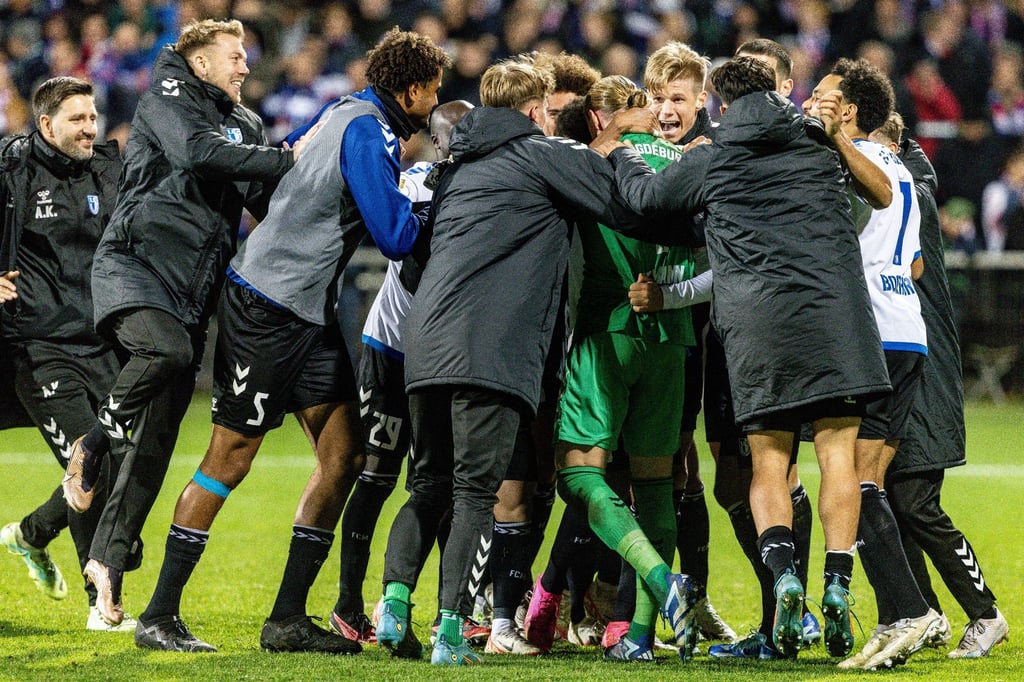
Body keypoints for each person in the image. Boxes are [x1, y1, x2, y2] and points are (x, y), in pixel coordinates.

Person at [133, 27, 451, 654]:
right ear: (411, 90)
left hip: (306, 308)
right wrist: (440, 195)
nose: (436, 104)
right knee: (231, 456)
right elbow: (392, 234)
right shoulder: (365, 129)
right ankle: (158, 615)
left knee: (344, 456)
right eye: (434, 91)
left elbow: (288, 164)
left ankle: (285, 620)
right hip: (267, 305)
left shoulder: (346, 114)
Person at [376, 56, 692, 667]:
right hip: (491, 351)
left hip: (425, 346)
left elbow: (415, 261)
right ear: (530, 112)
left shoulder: (454, 169)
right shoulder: (539, 156)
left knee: (427, 485)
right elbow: (622, 205)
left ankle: (393, 604)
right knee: (473, 493)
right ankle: (446, 632)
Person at [593, 55, 891, 660]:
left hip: (761, 326)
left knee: (768, 465)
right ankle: (835, 583)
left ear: (720, 103)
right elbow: (872, 201)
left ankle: (783, 578)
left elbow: (649, 201)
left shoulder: (713, 152)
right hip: (836, 315)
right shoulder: (816, 136)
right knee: (837, 455)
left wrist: (625, 149)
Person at [61, 18, 306, 630]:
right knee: (165, 351)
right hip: (136, 268)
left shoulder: (245, 125)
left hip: (192, 293)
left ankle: (105, 575)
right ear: (200, 63)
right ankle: (90, 443)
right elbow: (197, 151)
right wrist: (284, 156)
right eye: (235, 56)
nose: (246, 66)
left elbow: (263, 203)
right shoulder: (169, 93)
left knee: (155, 445)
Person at [810, 58, 942, 670]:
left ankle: (907, 611)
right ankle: (901, 617)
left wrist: (833, 141)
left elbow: (874, 199)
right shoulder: (904, 165)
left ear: (851, 111)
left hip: (871, 337)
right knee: (867, 485)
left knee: (851, 485)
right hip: (907, 332)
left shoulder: (855, 160)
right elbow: (913, 264)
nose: (815, 101)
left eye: (826, 96)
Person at [331, 100, 475, 645]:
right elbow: (410, 259)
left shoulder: (481, 186)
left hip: (444, 356)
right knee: (377, 475)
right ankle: (348, 603)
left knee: (438, 482)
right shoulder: (412, 184)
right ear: (436, 142)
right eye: (454, 137)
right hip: (393, 349)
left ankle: (447, 609)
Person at [0, 76, 132, 632]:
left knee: (122, 462)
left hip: (101, 343)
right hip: (38, 346)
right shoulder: (13, 170)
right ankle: (99, 605)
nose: (89, 128)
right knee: (87, 460)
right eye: (76, 120)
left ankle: (31, 532)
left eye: (93, 116)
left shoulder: (108, 167)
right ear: (46, 124)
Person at [878, 114, 1010, 660]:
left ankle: (985, 614)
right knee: (886, 497)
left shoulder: (906, 188)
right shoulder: (906, 176)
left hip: (924, 369)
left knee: (914, 501)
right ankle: (924, 612)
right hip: (898, 364)